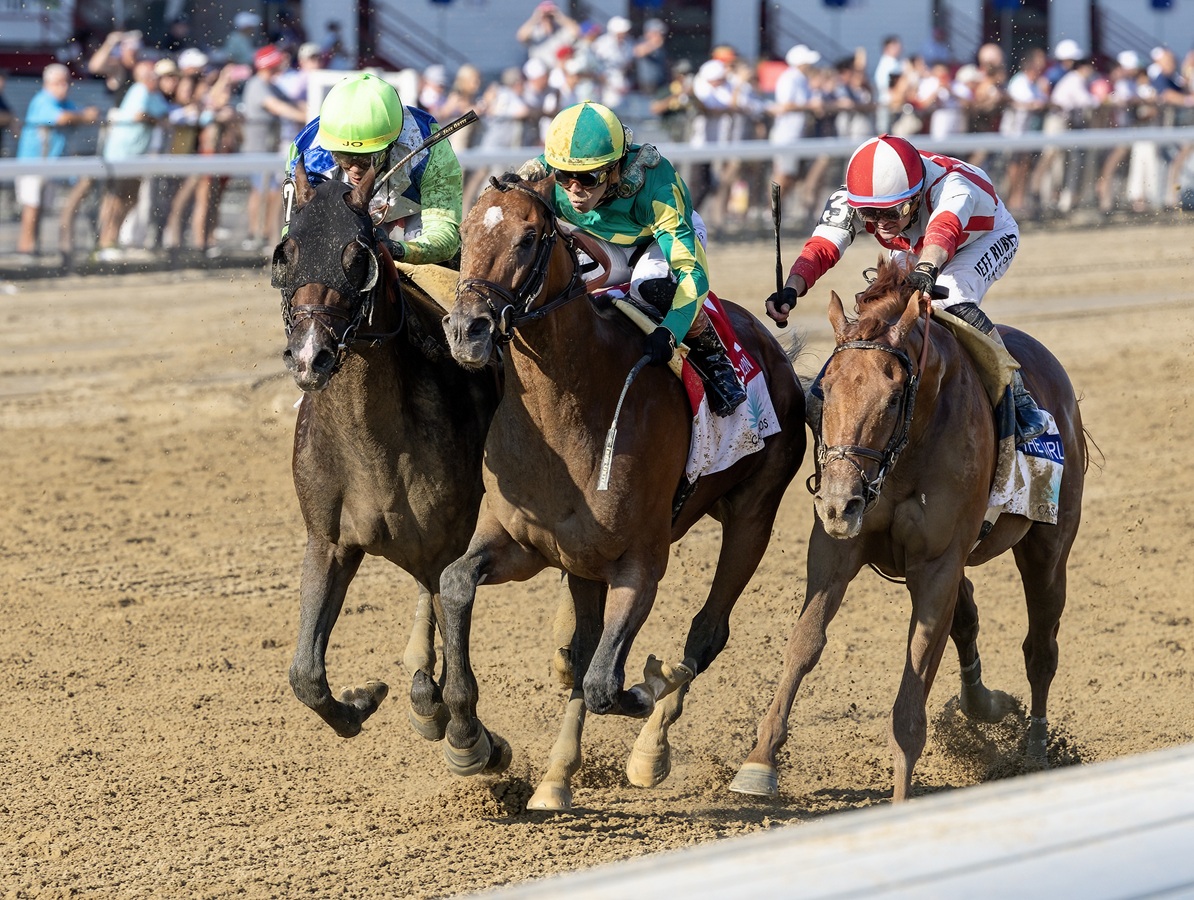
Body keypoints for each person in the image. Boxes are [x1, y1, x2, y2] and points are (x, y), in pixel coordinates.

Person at [765, 133, 1049, 442]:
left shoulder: (954, 189)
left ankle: (1019, 397)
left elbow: (943, 234)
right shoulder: (860, 198)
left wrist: (926, 270)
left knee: (948, 297)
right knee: (881, 309)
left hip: (980, 238)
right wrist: (792, 288)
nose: (881, 223)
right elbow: (821, 247)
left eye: (891, 212)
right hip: (917, 240)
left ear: (915, 197)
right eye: (871, 215)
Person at [517, 100, 746, 416]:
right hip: (606, 242)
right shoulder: (545, 176)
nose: (573, 189)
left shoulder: (659, 189)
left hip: (661, 239)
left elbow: (693, 274)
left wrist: (670, 332)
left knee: (650, 285)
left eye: (587, 178)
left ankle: (714, 360)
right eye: (565, 176)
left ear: (615, 169)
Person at [286, 72, 465, 266]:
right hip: (345, 213)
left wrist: (396, 249)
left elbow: (445, 239)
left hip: (417, 210)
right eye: (343, 157)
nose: (354, 169)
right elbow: (295, 236)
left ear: (392, 145)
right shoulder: (307, 158)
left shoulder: (430, 150)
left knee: (436, 267)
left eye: (366, 160)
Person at [15, 63, 99, 259]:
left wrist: (82, 116)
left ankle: (33, 250)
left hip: (49, 165)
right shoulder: (43, 100)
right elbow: (63, 119)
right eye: (59, 83)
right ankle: (25, 250)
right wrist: (83, 116)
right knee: (32, 208)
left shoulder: (64, 102)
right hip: (33, 164)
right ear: (48, 83)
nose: (64, 87)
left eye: (66, 83)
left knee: (41, 208)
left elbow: (81, 115)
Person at [241, 44, 307, 249]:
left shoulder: (271, 85)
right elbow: (278, 107)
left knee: (271, 192)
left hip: (269, 150)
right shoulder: (257, 84)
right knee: (260, 191)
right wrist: (309, 118)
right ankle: (254, 235)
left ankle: (267, 234)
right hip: (256, 149)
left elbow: (293, 103)